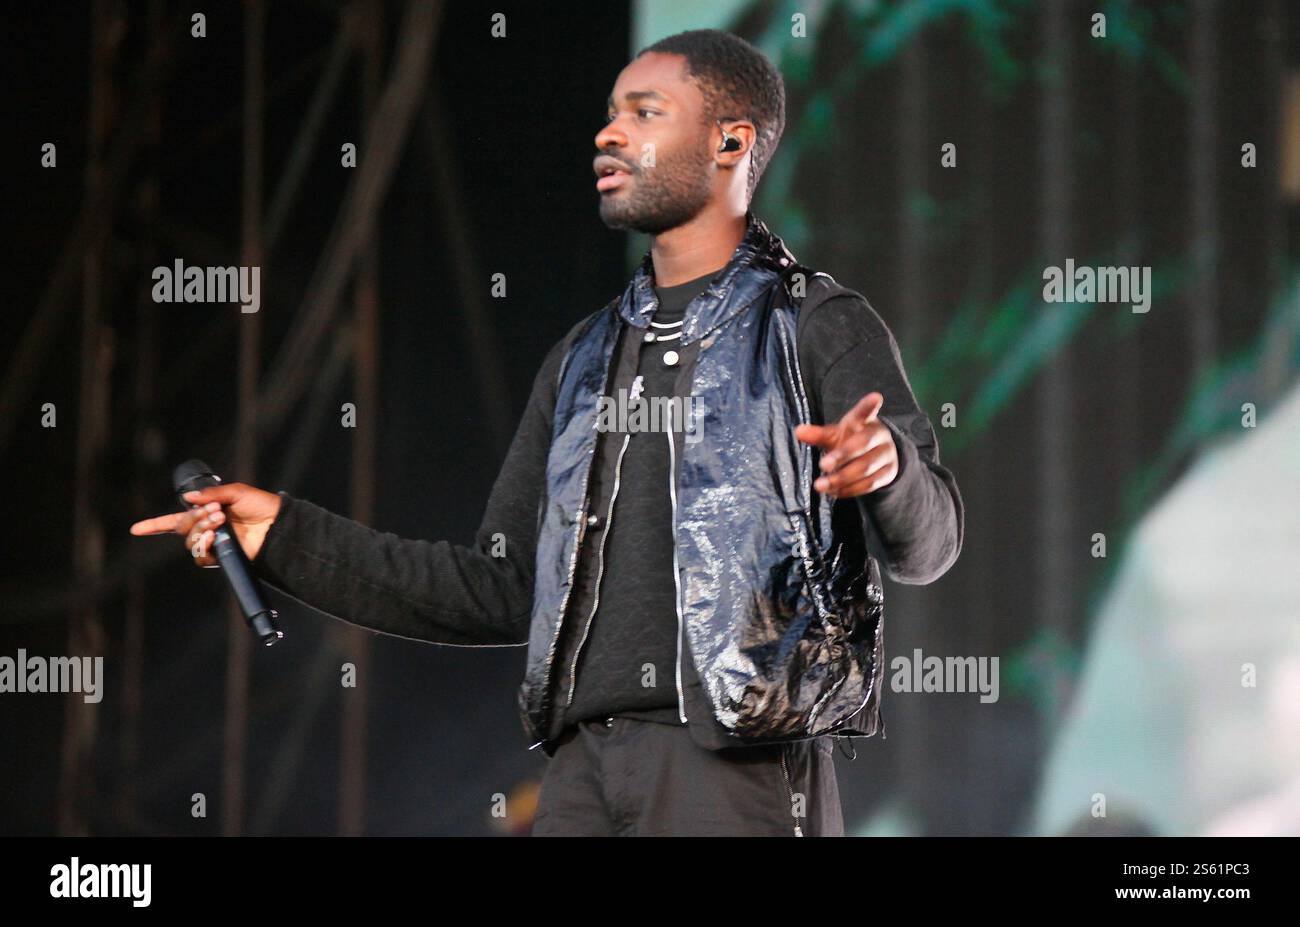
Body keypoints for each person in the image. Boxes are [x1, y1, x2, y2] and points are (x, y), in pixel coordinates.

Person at [131, 29, 963, 837]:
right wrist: (283, 535)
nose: (608, 131)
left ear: (730, 141)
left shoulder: (812, 326)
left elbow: (933, 545)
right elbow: (495, 588)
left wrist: (888, 472)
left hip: (737, 769)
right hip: (581, 777)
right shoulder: (582, 360)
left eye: (644, 113)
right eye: (610, 112)